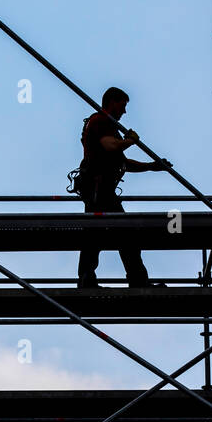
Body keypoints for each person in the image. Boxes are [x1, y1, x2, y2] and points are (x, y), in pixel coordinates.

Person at [76, 86, 171, 288]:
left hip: (100, 190)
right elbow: (110, 146)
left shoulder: (108, 126)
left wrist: (152, 167)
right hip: (99, 189)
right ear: (112, 102)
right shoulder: (101, 121)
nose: (124, 111)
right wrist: (130, 141)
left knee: (99, 235)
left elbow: (123, 163)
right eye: (123, 105)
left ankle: (88, 279)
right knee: (119, 234)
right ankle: (136, 280)